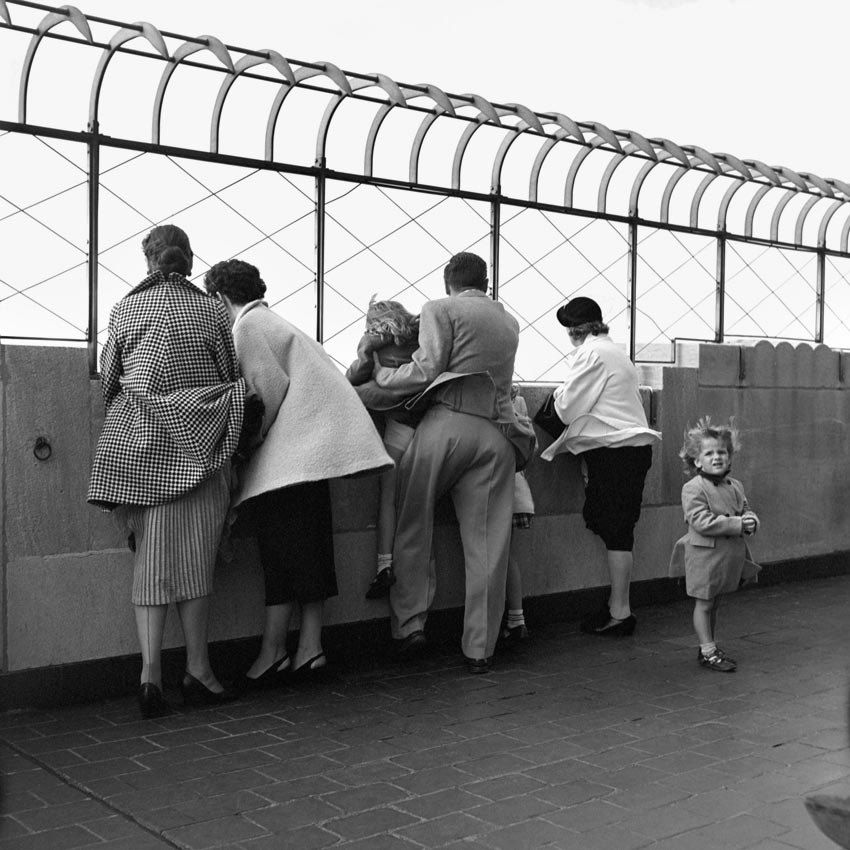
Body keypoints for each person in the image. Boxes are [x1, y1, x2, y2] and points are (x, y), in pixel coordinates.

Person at [203, 259, 391, 688]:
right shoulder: (279, 321)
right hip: (314, 457)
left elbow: (264, 391)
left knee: (281, 559)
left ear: (218, 297)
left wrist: (248, 445)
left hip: (286, 463)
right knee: (312, 555)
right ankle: (310, 647)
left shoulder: (247, 327)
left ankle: (272, 653)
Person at [88, 224, 247, 719]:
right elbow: (229, 375)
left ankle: (149, 677)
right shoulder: (210, 309)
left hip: (138, 452)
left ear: (148, 261)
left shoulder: (124, 309)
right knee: (196, 561)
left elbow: (110, 378)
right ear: (190, 260)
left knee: (152, 564)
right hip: (198, 449)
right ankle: (199, 670)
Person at [364, 251, 520, 674]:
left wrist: (382, 378)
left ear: (447, 281)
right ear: (485, 282)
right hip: (493, 434)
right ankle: (480, 648)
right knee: (488, 545)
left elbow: (425, 369)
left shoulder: (440, 309)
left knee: (414, 523)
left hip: (445, 426)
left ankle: (410, 624)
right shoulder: (508, 321)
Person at [540, 297, 661, 636]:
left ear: (574, 332)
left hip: (616, 453)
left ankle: (621, 614)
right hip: (630, 451)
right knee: (618, 531)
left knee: (616, 533)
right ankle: (617, 608)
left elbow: (565, 409)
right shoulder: (616, 352)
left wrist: (561, 391)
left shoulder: (590, 354)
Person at [346, 296, 423, 599]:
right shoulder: (421, 339)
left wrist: (365, 354)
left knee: (388, 498)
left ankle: (384, 566)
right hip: (427, 422)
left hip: (398, 427)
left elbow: (356, 376)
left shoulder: (374, 343)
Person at [669, 417, 760, 672]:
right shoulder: (693, 488)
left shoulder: (735, 485)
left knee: (715, 603)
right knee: (704, 603)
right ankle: (708, 651)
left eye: (722, 452)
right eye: (709, 453)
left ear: (729, 457)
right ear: (697, 460)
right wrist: (738, 524)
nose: (717, 457)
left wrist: (751, 520)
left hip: (725, 558)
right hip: (704, 557)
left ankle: (708, 644)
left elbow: (745, 509)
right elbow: (701, 521)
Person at [499, 385, 536, 648]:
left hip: (494, 488)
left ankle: (498, 622)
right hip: (517, 490)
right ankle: (517, 618)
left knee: (490, 558)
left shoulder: (485, 397)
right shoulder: (518, 400)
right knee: (508, 556)